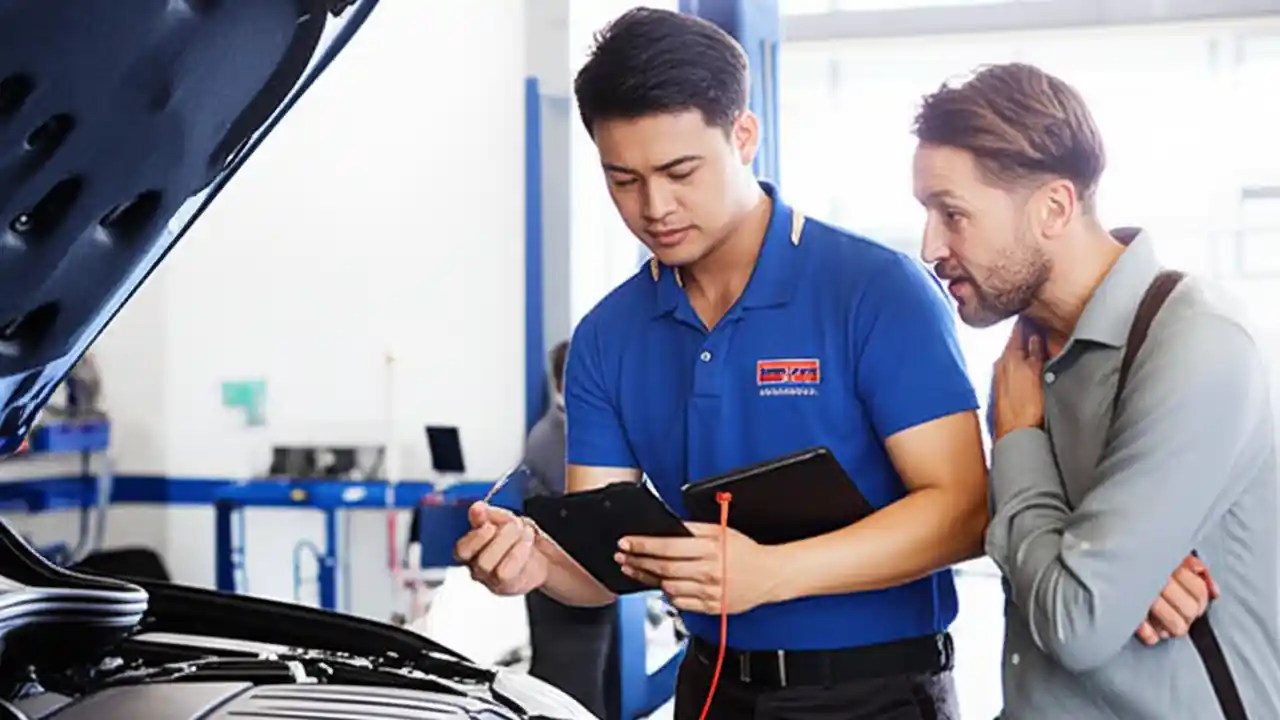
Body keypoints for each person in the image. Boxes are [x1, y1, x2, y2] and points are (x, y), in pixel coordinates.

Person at [457, 8, 990, 718]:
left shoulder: (874, 290)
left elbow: (963, 512)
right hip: (710, 692)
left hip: (877, 694)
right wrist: (537, 564)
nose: (655, 207)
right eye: (624, 180)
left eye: (681, 171)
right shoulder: (607, 336)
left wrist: (772, 573)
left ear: (744, 136)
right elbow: (605, 564)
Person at [910, 61, 1280, 718]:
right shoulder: (1026, 354)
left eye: (953, 214)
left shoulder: (1199, 346)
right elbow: (1075, 584)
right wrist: (1113, 554)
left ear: (1053, 208)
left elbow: (1077, 619)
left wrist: (1019, 442)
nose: (929, 245)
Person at [520, 340, 616, 719]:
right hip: (564, 582)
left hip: (580, 577)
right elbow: (586, 507)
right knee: (570, 692)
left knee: (587, 687)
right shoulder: (559, 437)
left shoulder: (557, 431)